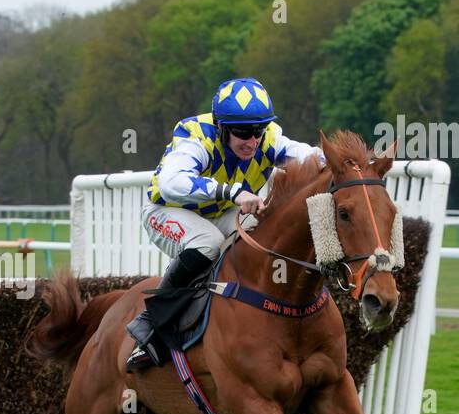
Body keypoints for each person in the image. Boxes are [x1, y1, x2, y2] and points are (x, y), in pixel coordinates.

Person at [125, 77, 324, 370]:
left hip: (217, 212)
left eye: (258, 130)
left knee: (262, 242)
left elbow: (313, 157)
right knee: (208, 245)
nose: (253, 140)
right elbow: (170, 183)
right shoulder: (196, 136)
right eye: (243, 132)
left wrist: (357, 163)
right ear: (221, 127)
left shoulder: (269, 140)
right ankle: (150, 322)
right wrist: (231, 192)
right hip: (167, 210)